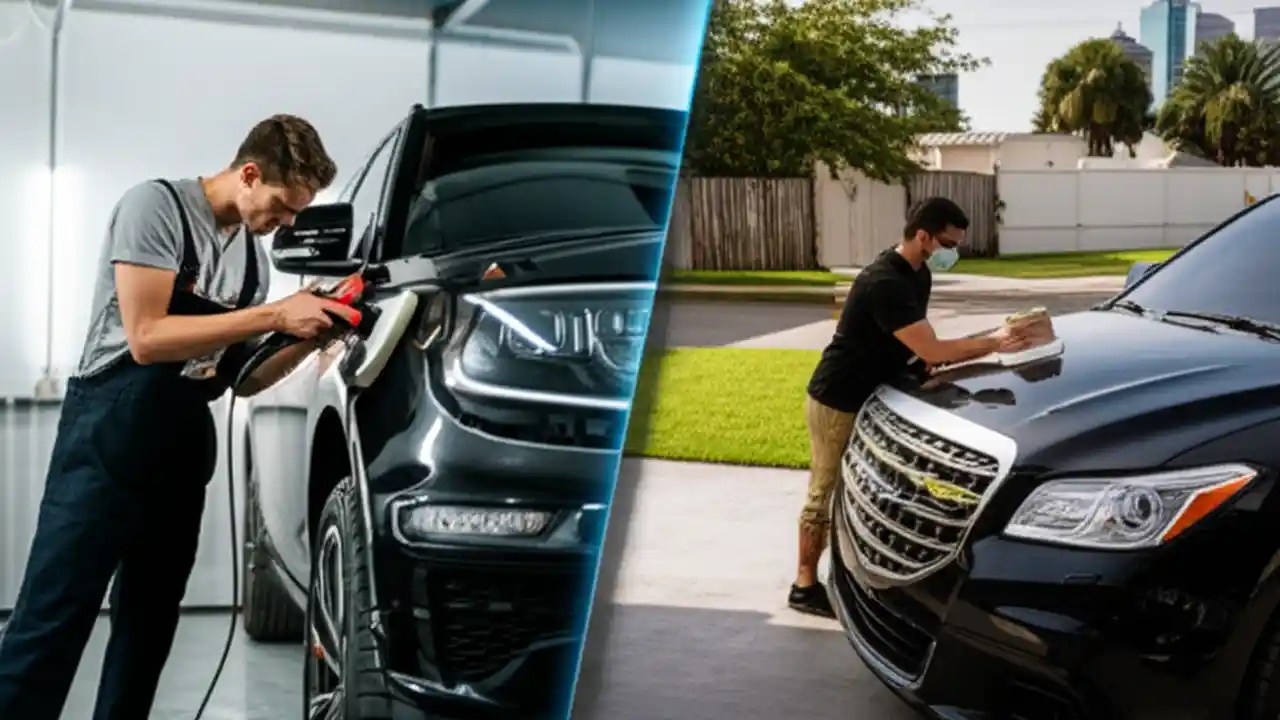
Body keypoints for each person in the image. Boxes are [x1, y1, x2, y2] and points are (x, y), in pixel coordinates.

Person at [0, 114, 361, 719]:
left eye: (297, 214)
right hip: (107, 437)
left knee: (149, 626)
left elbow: (242, 380)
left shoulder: (253, 262)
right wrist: (273, 317)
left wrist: (310, 331)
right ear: (249, 174)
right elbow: (146, 337)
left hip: (179, 446)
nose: (286, 225)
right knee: (53, 617)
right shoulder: (156, 207)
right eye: (282, 206)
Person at [788, 196, 1035, 618]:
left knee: (863, 487)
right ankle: (804, 586)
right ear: (922, 235)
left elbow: (918, 348)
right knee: (824, 492)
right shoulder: (884, 281)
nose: (953, 253)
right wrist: (994, 341)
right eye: (948, 243)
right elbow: (933, 346)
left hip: (873, 392)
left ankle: (856, 572)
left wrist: (926, 369)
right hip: (837, 399)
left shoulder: (917, 274)